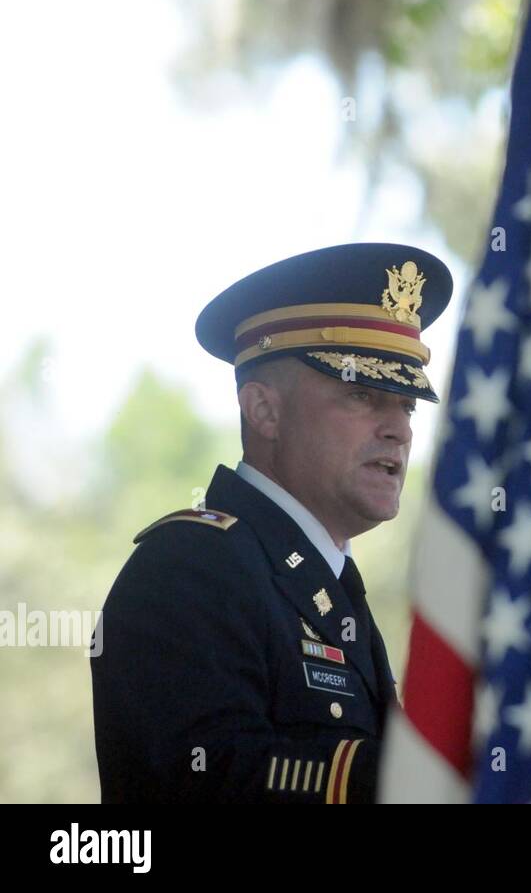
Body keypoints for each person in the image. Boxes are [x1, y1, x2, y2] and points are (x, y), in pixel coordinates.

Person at [91, 242, 453, 803]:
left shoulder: (324, 582)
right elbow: (207, 779)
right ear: (263, 410)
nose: (399, 430)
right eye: (362, 394)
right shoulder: (191, 565)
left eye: (406, 406)